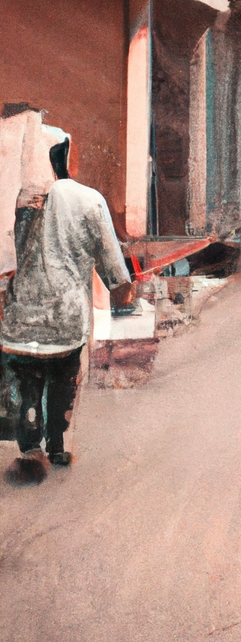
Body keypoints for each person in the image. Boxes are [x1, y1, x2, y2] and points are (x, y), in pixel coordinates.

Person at [1, 134, 132, 482]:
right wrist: (123, 292)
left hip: (21, 315)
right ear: (68, 159)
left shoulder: (18, 199)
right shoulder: (88, 199)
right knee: (63, 379)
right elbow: (112, 264)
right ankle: (57, 445)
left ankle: (30, 447)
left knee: (28, 383)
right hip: (66, 316)